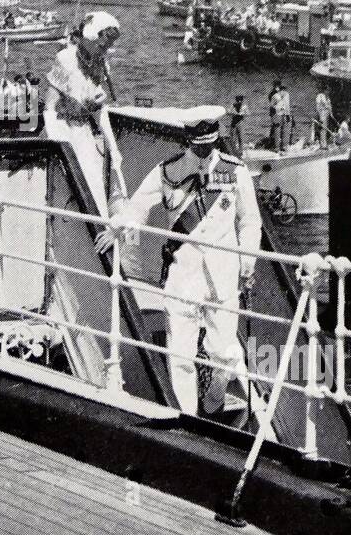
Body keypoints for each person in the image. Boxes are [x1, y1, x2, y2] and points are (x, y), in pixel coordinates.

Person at [98, 108, 261, 418]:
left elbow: (249, 221)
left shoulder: (235, 171)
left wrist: (247, 260)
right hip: (183, 273)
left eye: (210, 146)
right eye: (199, 146)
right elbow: (138, 206)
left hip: (223, 274)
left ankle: (215, 394)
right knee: (180, 354)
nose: (205, 152)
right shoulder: (167, 172)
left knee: (224, 351)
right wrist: (116, 228)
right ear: (189, 141)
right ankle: (188, 417)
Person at [44, 12, 120, 214]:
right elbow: (50, 106)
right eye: (102, 45)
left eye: (108, 46)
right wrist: (57, 144)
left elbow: (101, 109)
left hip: (85, 131)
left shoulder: (101, 64)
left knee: (95, 187)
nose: (105, 50)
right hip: (64, 129)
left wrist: (113, 147)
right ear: (91, 37)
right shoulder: (65, 59)